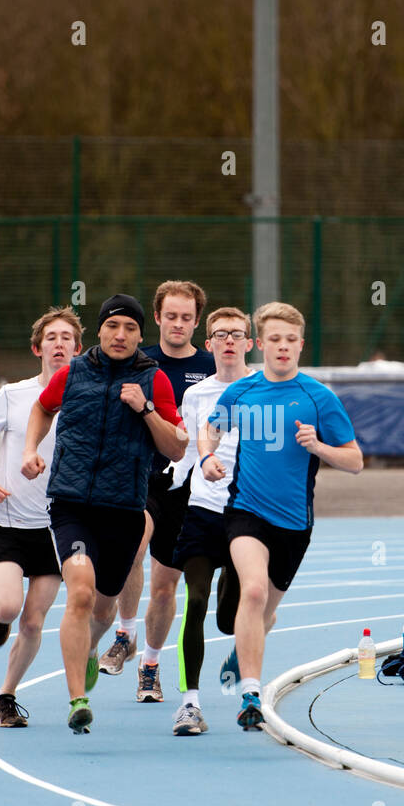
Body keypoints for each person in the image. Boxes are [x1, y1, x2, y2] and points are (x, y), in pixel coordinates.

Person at [22, 294, 187, 734]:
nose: (121, 335)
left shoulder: (154, 382)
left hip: (124, 509)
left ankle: (91, 650)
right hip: (72, 504)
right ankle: (78, 699)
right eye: (113, 326)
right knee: (79, 593)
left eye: (130, 328)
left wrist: (145, 409)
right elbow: (41, 407)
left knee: (104, 606)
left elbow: (175, 446)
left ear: (140, 335)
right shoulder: (73, 373)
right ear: (99, 332)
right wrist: (30, 448)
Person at [201, 302, 363, 731]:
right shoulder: (241, 392)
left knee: (266, 611)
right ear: (260, 344)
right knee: (251, 593)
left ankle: (243, 650)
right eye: (274, 339)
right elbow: (210, 429)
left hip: (294, 523)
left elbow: (355, 461)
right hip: (245, 512)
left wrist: (319, 448)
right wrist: (206, 457)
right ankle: (251, 694)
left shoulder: (318, 398)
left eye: (291, 340)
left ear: (301, 345)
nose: (283, 347)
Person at [0, 308, 83, 728]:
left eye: (68, 337)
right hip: (11, 523)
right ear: (38, 347)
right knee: (12, 608)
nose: (60, 343)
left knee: (34, 622)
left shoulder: (84, 396)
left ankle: (6, 697)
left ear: (78, 349)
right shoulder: (14, 395)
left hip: (56, 529)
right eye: (52, 337)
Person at [98, 281, 215, 705]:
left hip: (189, 489)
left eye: (187, 317)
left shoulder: (210, 366)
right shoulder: (137, 363)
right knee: (132, 544)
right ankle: (124, 633)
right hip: (142, 477)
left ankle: (149, 667)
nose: (178, 323)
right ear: (158, 319)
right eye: (171, 316)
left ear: (197, 322)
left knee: (166, 586)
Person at [165, 307, 257, 735]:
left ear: (249, 343)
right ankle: (189, 704)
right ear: (209, 345)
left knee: (229, 618)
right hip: (202, 509)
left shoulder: (263, 390)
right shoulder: (197, 395)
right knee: (195, 601)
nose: (229, 341)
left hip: (247, 514)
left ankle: (231, 591)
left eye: (237, 334)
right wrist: (173, 487)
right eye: (220, 334)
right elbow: (185, 452)